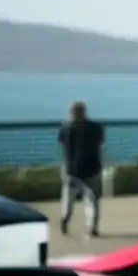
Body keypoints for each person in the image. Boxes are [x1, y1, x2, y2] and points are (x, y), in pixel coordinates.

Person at [57, 101, 105, 237]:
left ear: (71, 113)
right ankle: (92, 226)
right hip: (92, 168)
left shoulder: (65, 128)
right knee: (92, 200)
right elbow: (101, 144)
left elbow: (62, 144)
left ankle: (65, 218)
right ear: (85, 111)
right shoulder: (96, 127)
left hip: (72, 169)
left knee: (68, 198)